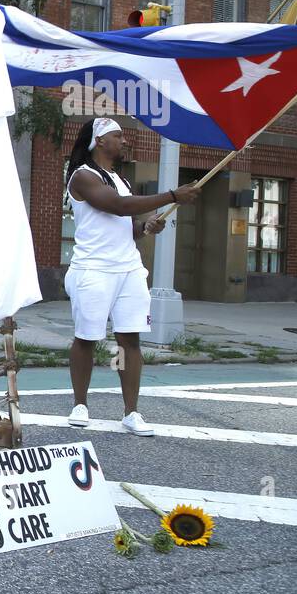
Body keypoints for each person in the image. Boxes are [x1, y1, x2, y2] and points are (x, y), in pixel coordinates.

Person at [64, 117, 199, 436]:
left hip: (128, 269)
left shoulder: (119, 178)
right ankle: (80, 403)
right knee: (87, 337)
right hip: (93, 269)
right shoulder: (82, 176)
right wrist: (172, 196)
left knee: (129, 339)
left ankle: (131, 412)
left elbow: (127, 225)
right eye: (118, 136)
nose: (125, 141)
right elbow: (118, 207)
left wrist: (146, 226)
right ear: (100, 141)